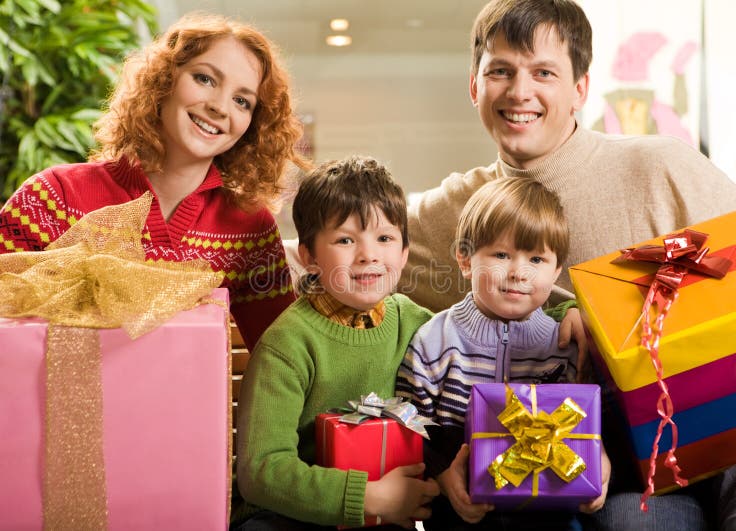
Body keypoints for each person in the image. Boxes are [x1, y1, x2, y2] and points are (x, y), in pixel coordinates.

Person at [400, 0, 736, 529]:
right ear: (474, 86)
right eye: (500, 71)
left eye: (544, 72)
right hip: (635, 464)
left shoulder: (661, 163)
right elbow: (327, 251)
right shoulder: (454, 211)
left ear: (580, 90)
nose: (520, 92)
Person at [0, 13, 307, 351]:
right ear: (164, 80)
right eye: (205, 78)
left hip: (190, 404)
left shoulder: (250, 228)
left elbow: (283, 355)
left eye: (242, 101)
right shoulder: (51, 197)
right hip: (63, 401)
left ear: (253, 124)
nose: (220, 106)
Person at [232, 155, 440, 530]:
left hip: (387, 510)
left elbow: (480, 328)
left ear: (404, 252)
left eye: (385, 238)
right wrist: (370, 497)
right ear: (309, 256)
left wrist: (566, 312)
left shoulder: (413, 322)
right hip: (290, 515)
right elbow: (261, 471)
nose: (369, 255)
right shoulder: (288, 344)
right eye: (345, 239)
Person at [397, 177, 610, 530]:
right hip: (463, 512)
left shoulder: (567, 346)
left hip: (552, 514)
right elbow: (409, 426)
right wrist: (441, 479)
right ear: (465, 260)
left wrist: (601, 467)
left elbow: (594, 432)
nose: (518, 272)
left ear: (557, 270)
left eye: (537, 258)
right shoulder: (434, 341)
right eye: (501, 254)